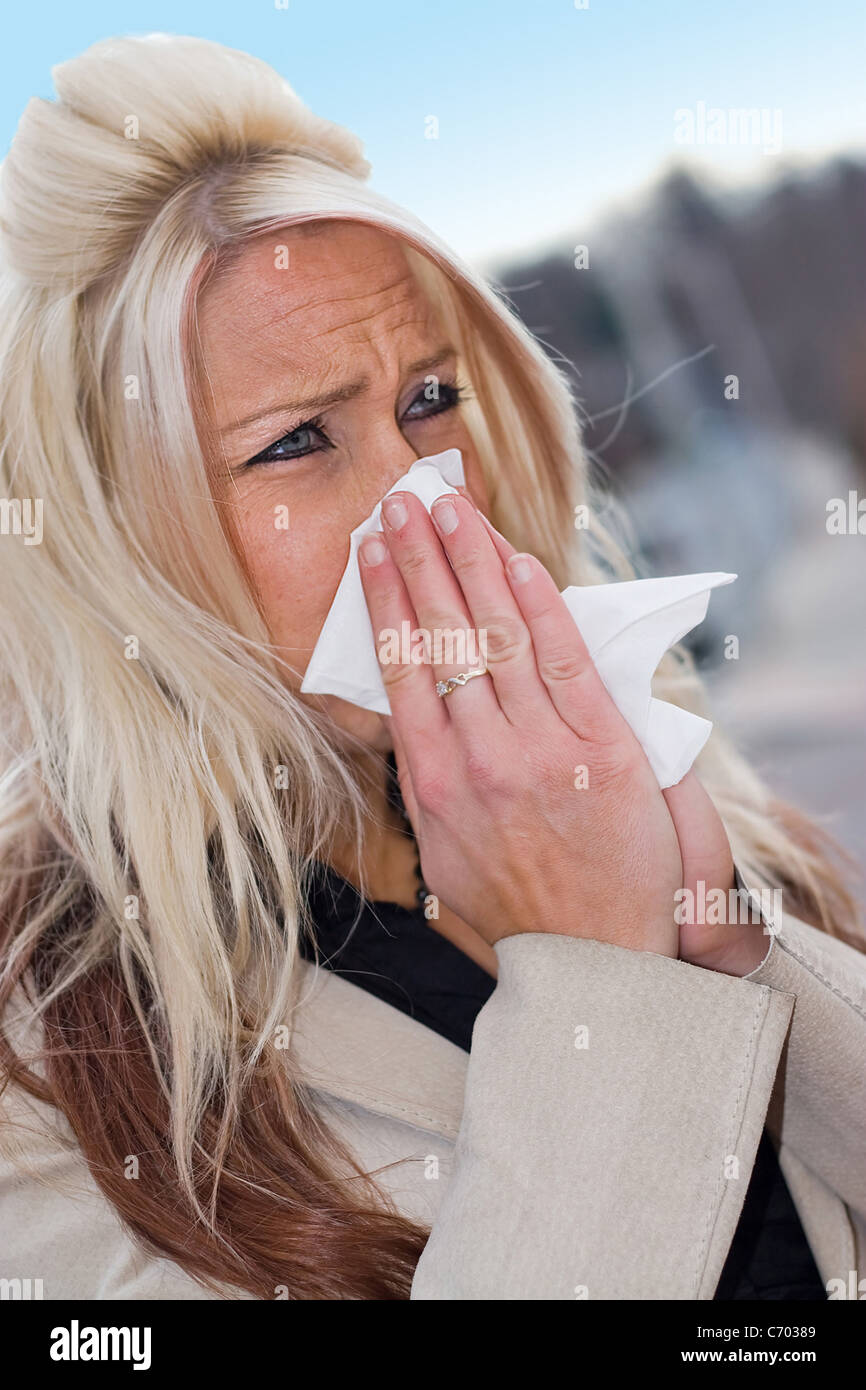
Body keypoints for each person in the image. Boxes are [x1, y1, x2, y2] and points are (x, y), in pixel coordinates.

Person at [1, 34, 863, 1301]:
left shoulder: (662, 773)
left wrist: (725, 942)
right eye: (297, 440)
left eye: (428, 399)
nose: (429, 498)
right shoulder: (52, 1064)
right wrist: (595, 979)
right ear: (120, 543)